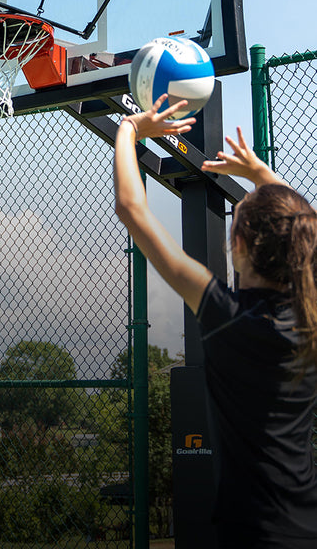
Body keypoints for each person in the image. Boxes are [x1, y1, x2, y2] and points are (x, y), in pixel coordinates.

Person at [114, 94, 317, 549]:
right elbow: (307, 230)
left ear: (239, 246)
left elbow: (131, 208)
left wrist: (129, 129)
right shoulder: (310, 318)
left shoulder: (227, 318)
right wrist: (262, 177)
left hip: (249, 534)